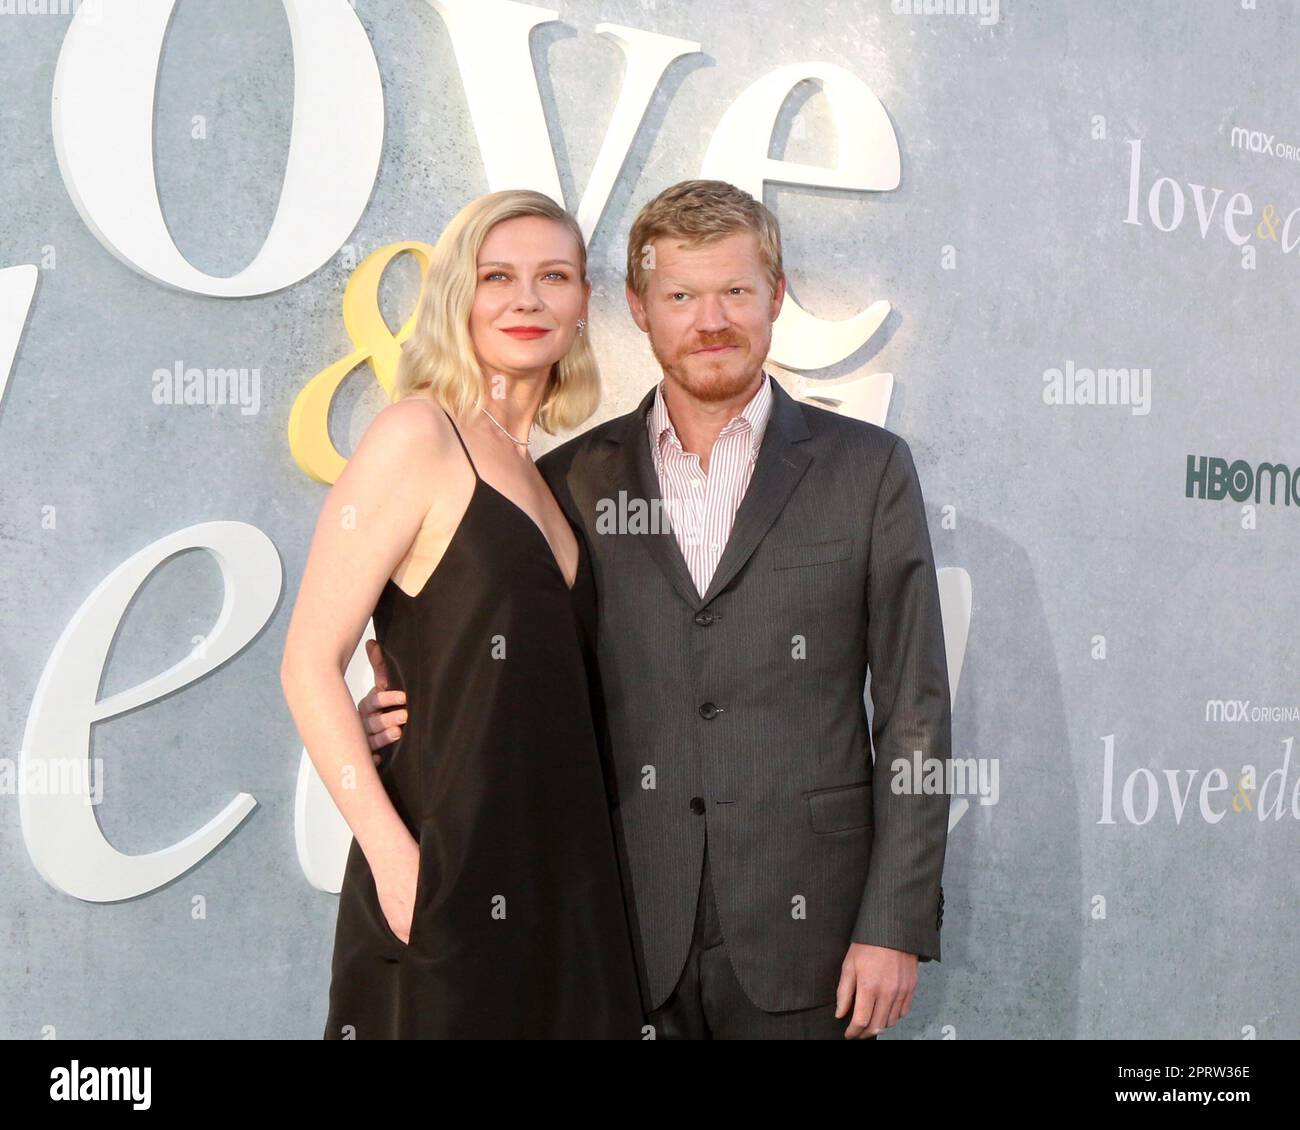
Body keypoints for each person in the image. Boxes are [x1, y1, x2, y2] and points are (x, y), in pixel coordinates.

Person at [361, 179, 952, 1040]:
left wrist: (892, 924)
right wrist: (391, 709)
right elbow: (510, 662)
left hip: (812, 935)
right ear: (638, 308)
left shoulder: (867, 471)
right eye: (680, 295)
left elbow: (916, 713)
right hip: (616, 923)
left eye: (735, 292)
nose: (711, 321)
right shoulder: (566, 483)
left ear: (776, 296)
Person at [280, 189, 645, 1039]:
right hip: (445, 869)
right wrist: (397, 863)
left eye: (554, 276)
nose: (527, 299)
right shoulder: (418, 434)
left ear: (583, 305)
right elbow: (307, 661)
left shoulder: (549, 476)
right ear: (457, 298)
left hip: (565, 877)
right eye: (498, 276)